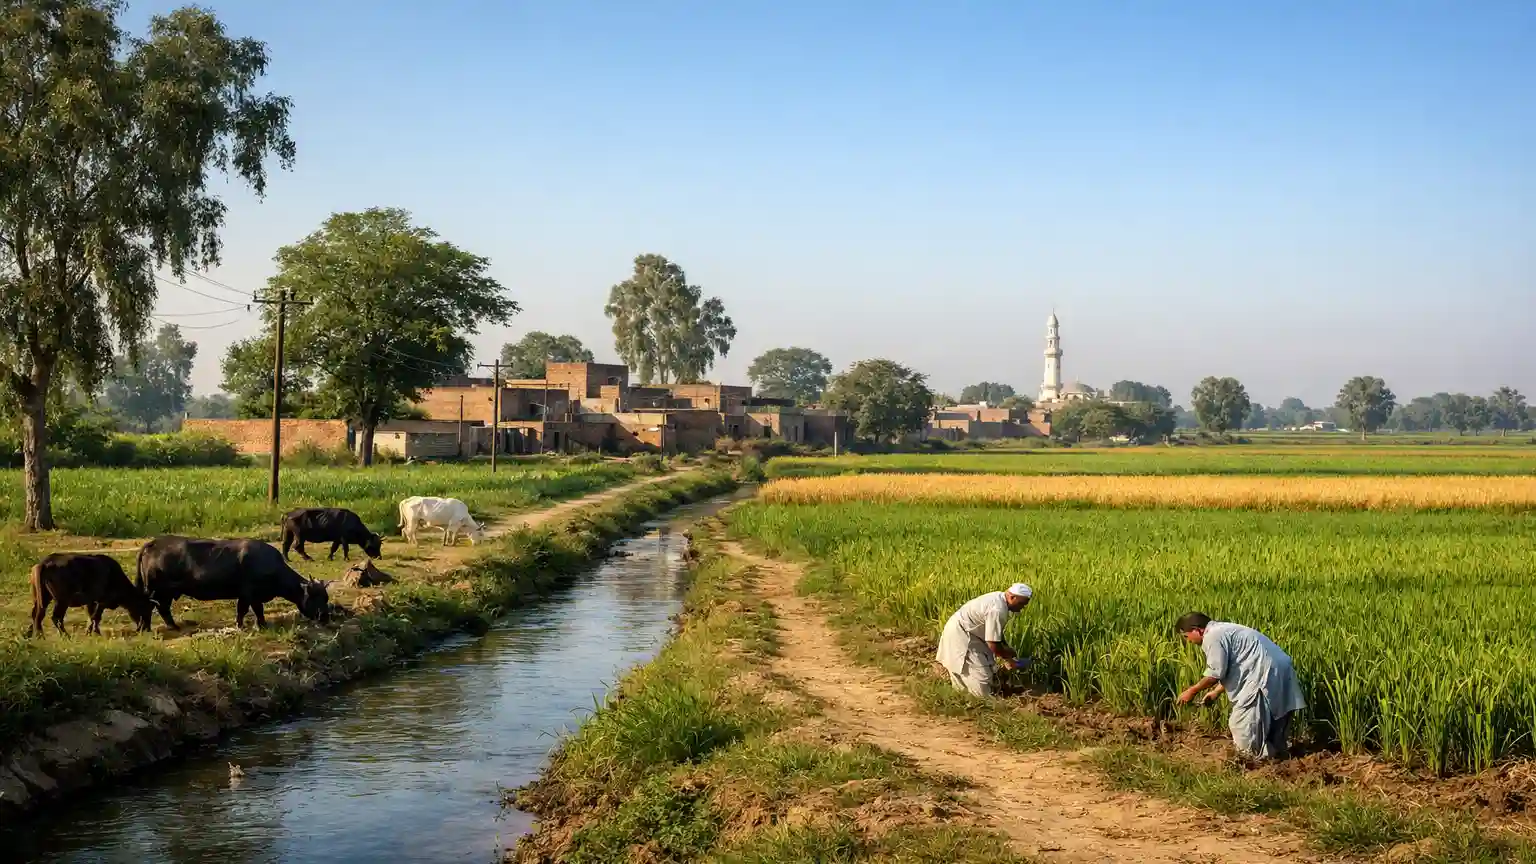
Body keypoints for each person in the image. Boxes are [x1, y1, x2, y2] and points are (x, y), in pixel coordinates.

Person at [1175, 612, 1305, 761]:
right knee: (1275, 721)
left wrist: (1192, 691)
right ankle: (1278, 759)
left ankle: (1252, 764)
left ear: (1197, 630)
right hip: (1280, 670)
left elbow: (1215, 673)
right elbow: (1238, 666)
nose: (1188, 641)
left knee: (1242, 724)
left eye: (1186, 636)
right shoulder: (1225, 629)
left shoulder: (1212, 637)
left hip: (1262, 674)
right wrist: (1216, 692)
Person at [935, 583, 1033, 697]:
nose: (1022, 607)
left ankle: (962, 697)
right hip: (963, 634)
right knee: (980, 678)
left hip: (972, 633)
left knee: (982, 668)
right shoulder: (998, 610)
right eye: (1021, 603)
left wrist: (1007, 648)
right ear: (1012, 597)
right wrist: (1008, 658)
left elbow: (996, 634)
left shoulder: (999, 597)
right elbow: (993, 644)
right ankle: (976, 702)